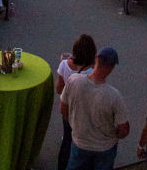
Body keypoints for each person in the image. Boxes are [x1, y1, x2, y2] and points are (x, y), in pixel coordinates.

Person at [60, 46, 130, 170]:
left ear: (96, 58)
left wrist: (74, 125)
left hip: (79, 143)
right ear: (112, 67)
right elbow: (124, 130)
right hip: (104, 148)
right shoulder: (114, 96)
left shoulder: (73, 81)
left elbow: (63, 110)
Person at [56, 34, 97, 170]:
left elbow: (58, 89)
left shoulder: (64, 65)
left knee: (67, 140)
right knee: (82, 142)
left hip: (67, 109)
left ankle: (62, 166)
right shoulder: (92, 72)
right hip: (84, 113)